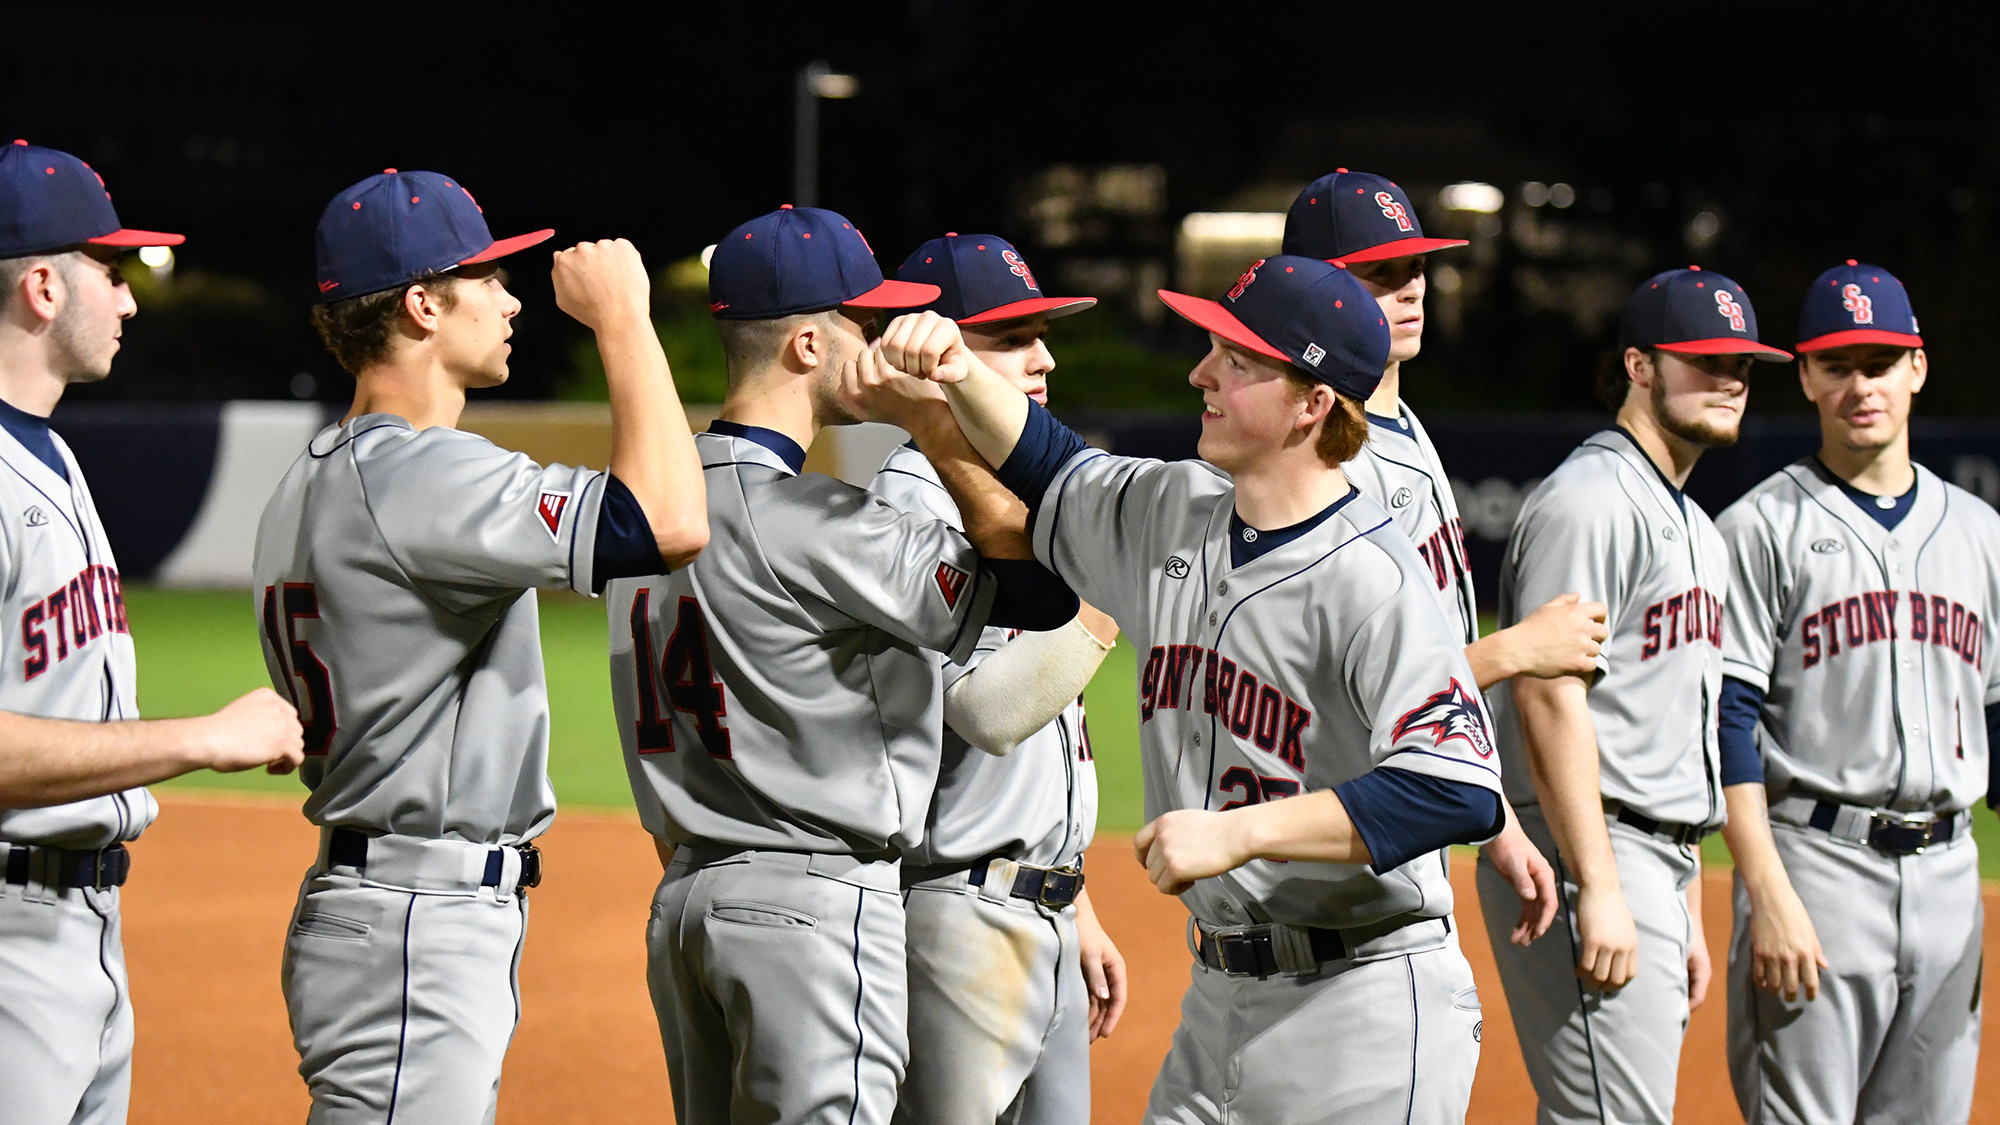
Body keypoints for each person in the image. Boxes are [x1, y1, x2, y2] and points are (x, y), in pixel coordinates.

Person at [881, 253, 1507, 1124]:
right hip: (1216, 1003)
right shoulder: (1178, 508)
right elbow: (1048, 458)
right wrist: (953, 371)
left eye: (1237, 361)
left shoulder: (1377, 578)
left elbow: (1458, 789)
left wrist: (1240, 833)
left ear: (1311, 403)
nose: (1200, 372)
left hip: (1360, 1005)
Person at [606, 204, 1078, 1125]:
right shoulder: (816, 519)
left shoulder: (643, 516)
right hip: (812, 905)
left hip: (685, 902)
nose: (881, 341)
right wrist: (935, 425)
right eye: (865, 323)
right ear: (809, 344)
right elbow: (1035, 590)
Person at [254, 168, 707, 1123]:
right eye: (488, 278)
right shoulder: (419, 471)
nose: (512, 300)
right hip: (415, 914)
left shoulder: (316, 474)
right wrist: (626, 319)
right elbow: (665, 521)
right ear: (423, 303)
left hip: (386, 901)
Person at [0, 138, 304, 1125]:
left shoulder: (52, 454)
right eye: (112, 269)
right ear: (44, 287)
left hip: (80, 927)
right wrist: (198, 738)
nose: (129, 298)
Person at [1481, 266, 1791, 1124]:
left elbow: (1670, 723)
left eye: (1743, 364)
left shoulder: (1693, 522)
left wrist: (1686, 902)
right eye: (1704, 359)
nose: (1730, 379)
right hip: (1590, 846)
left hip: (1655, 857)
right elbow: (1549, 694)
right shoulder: (1592, 500)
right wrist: (1601, 885)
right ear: (1639, 366)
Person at [1283, 168, 1613, 948]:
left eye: (1416, 267)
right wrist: (1516, 648)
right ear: (1319, 290)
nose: (1410, 290)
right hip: (1344, 871)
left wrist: (1488, 813)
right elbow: (1343, 689)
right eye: (1379, 274)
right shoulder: (1322, 458)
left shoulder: (1404, 425)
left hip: (1405, 831)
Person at [1717, 260, 1995, 1123]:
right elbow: (1728, 723)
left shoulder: (1982, 534)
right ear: (1803, 376)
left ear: (1917, 366)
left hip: (1952, 877)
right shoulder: (1761, 527)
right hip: (1818, 869)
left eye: (1879, 362)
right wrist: (1766, 891)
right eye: (1837, 365)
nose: (1860, 385)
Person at [868, 233, 1124, 1125]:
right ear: (935, 354)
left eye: (1042, 331)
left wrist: (1075, 894)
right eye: (1012, 336)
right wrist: (1108, 598)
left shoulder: (1011, 495)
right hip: (955, 909)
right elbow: (985, 708)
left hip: (1038, 904)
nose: (1044, 357)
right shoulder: (916, 500)